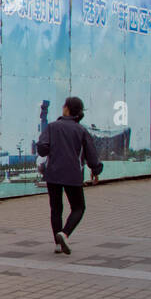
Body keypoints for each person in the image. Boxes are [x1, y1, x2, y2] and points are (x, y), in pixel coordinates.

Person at [35, 95, 102, 255]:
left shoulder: (52, 127)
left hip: (53, 174)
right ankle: (64, 234)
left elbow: (42, 148)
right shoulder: (81, 130)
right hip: (73, 174)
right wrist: (96, 170)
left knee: (56, 209)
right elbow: (92, 156)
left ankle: (58, 244)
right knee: (78, 207)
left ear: (66, 109)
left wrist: (46, 148)